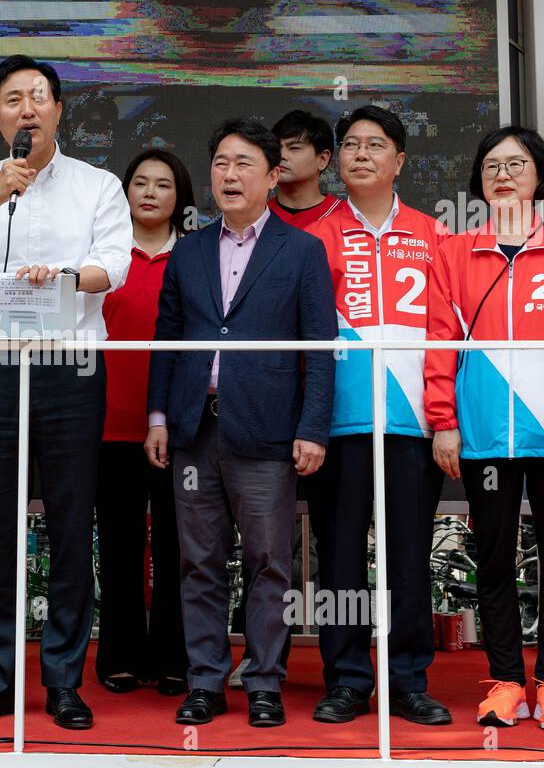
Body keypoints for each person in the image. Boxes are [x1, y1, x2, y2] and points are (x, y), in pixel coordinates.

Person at [0, 55, 133, 730]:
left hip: (71, 362)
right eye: (13, 99)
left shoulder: (97, 185)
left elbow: (116, 265)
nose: (27, 109)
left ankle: (64, 681)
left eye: (38, 97)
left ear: (57, 110)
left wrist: (64, 279)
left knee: (72, 525)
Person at [425, 125, 544, 732]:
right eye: (491, 166)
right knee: (493, 560)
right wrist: (443, 423)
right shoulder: (453, 252)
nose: (503, 174)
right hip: (484, 433)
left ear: (540, 176)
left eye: (516, 163)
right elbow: (438, 344)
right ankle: (507, 680)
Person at [147, 116, 336, 728]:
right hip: (194, 431)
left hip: (268, 433)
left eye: (244, 164)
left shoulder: (303, 251)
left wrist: (312, 428)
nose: (229, 175)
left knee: (269, 562)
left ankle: (263, 681)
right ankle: (204, 679)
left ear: (273, 175)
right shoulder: (189, 250)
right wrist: (158, 417)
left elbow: (320, 349)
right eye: (221, 163)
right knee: (197, 561)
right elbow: (166, 339)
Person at [301, 105, 451, 725]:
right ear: (336, 161)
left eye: (376, 145)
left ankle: (408, 677)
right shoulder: (314, 236)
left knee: (409, 554)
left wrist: (445, 415)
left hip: (414, 422)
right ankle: (347, 678)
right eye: (352, 145)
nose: (362, 154)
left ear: (400, 161)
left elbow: (448, 332)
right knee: (338, 557)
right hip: (338, 423)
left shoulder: (434, 234)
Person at [95, 148, 193, 696]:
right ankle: (119, 655)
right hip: (108, 422)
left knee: (182, 549)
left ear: (181, 197)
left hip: (180, 426)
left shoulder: (197, 256)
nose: (150, 192)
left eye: (163, 183)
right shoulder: (102, 257)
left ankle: (177, 657)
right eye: (140, 181)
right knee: (119, 546)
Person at [268, 109, 341, 229]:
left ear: (322, 159)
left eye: (294, 148)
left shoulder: (345, 215)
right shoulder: (256, 217)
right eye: (276, 148)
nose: (281, 155)